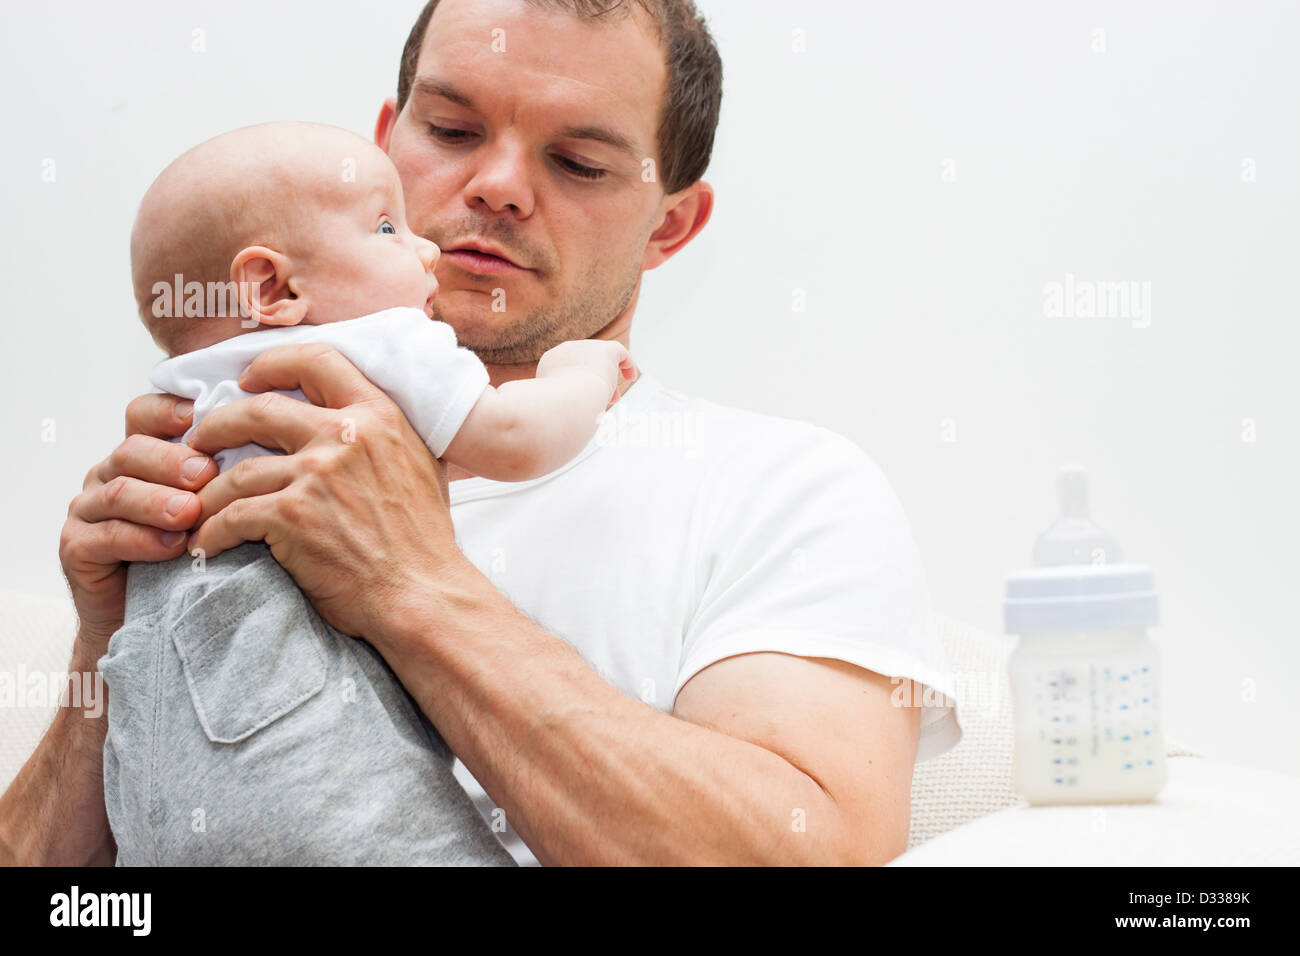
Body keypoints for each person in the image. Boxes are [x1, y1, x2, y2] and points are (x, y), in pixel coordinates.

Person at [1, 0, 962, 867]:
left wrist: (407, 581)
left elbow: (807, 856)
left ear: (671, 226)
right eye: (452, 129)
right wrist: (114, 646)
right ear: (379, 149)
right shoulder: (216, 455)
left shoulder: (782, 490)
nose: (498, 185)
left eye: (577, 161)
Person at [100, 120, 632, 865]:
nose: (425, 251)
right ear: (274, 287)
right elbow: (514, 437)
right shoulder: (377, 342)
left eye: (579, 162)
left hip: (157, 757)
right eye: (387, 227)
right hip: (301, 736)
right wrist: (583, 373)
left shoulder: (184, 390)